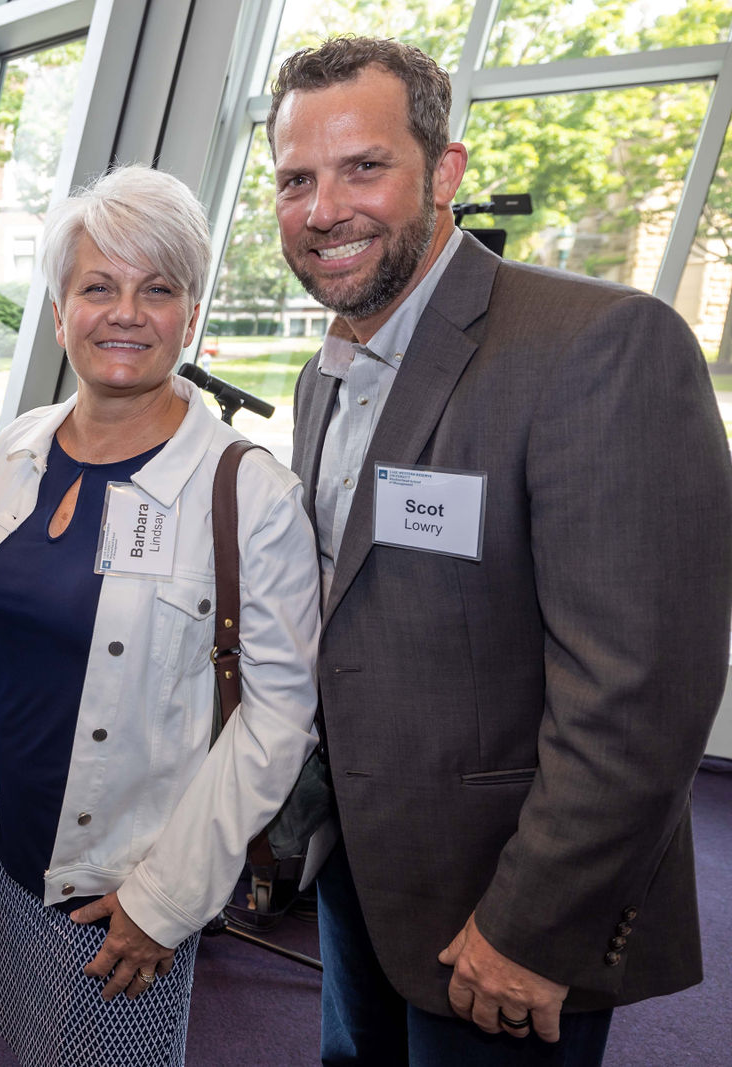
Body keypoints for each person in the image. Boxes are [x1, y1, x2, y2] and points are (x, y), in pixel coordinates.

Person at [268, 37, 732, 1065]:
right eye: (296, 179)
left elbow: (641, 690)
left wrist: (532, 924)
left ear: (445, 172)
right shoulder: (326, 373)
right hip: (363, 871)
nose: (324, 208)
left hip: (504, 911)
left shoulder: (601, 343)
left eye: (363, 167)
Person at [0, 164, 322, 1067]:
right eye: (97, 288)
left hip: (124, 879)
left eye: (157, 289)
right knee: (29, 1044)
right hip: (7, 841)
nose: (125, 313)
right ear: (58, 312)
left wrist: (166, 901)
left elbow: (278, 720)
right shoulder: (20, 446)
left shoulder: (251, 492)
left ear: (189, 317)